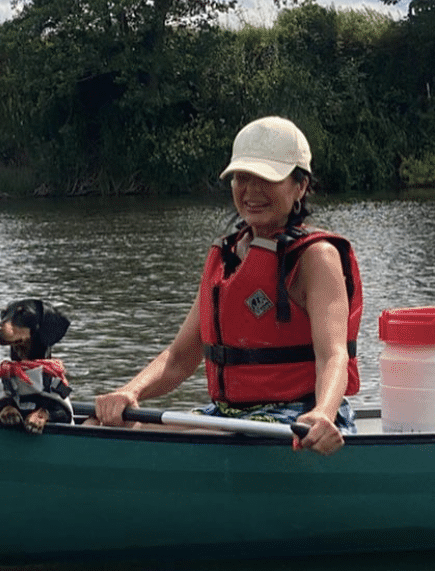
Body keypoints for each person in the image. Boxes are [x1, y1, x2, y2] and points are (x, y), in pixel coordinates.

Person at [94, 116, 361, 455]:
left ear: (300, 186)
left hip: (300, 417)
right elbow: (180, 358)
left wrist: (322, 412)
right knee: (101, 426)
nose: (251, 191)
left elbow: (332, 355)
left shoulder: (316, 256)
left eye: (266, 178)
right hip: (231, 416)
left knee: (183, 440)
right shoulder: (226, 255)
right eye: (242, 178)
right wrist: (129, 392)